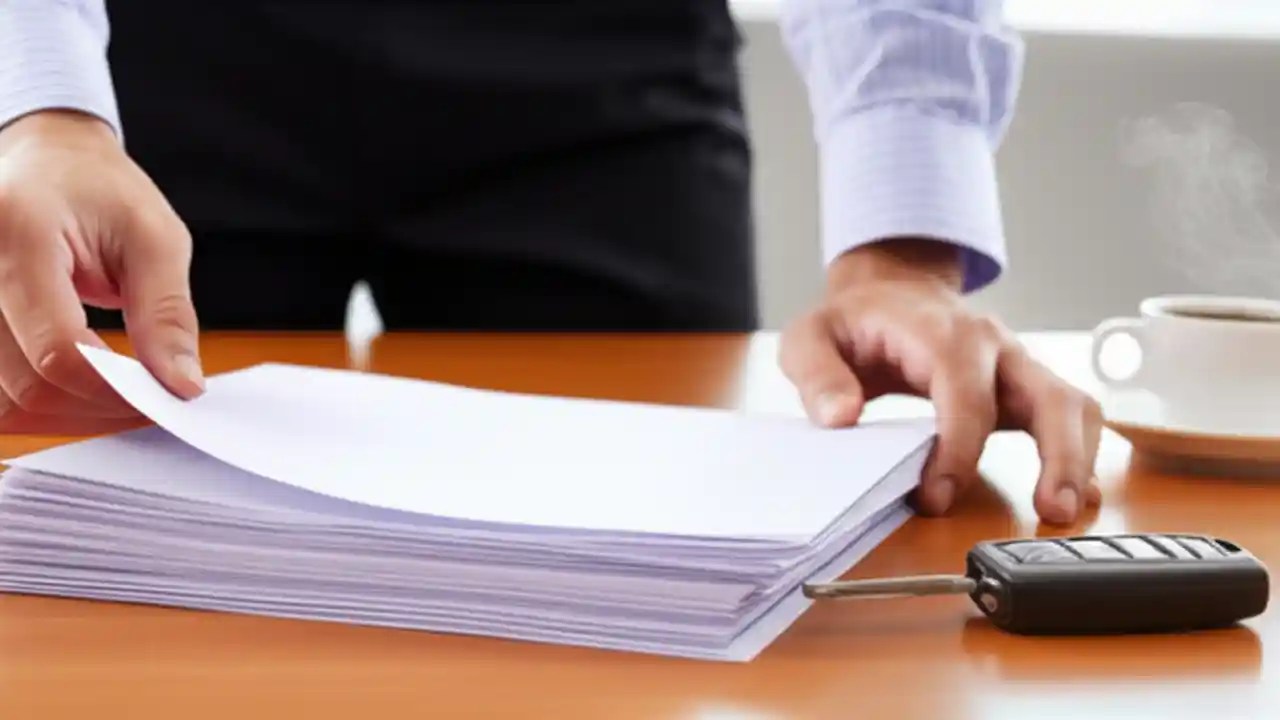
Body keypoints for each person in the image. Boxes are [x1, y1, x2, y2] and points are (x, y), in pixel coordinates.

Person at [0, 0, 1101, 524]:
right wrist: (40, 108)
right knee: (118, 521)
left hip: (601, 67)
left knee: (661, 535)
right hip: (149, 67)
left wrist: (899, 254)